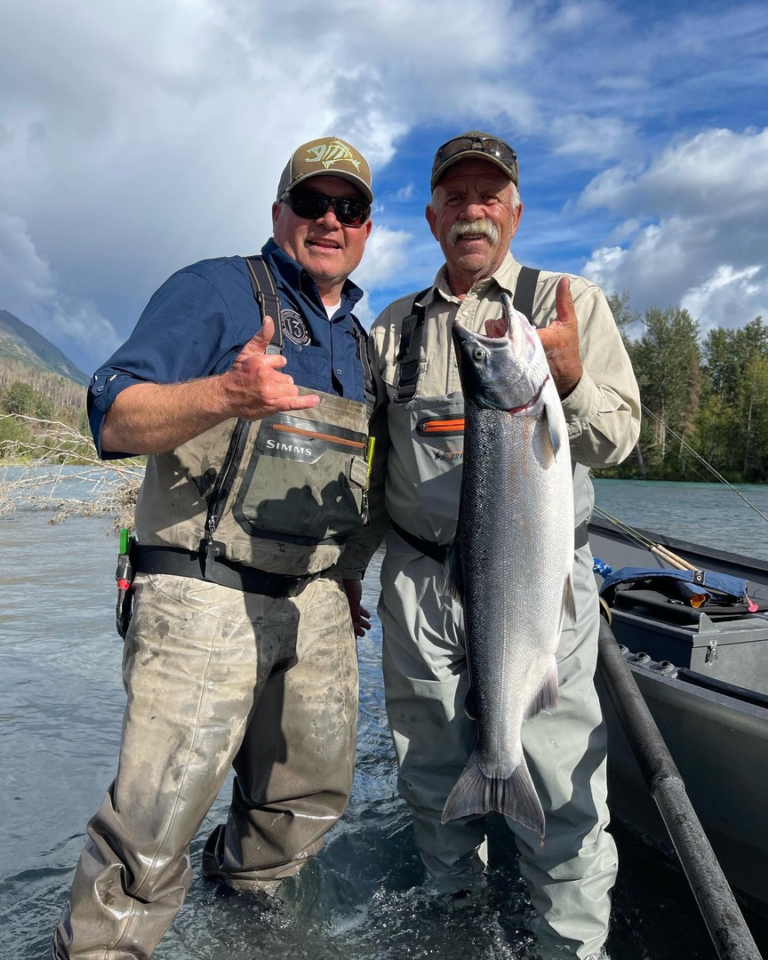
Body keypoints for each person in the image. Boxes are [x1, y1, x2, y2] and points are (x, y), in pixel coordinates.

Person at [53, 136, 376, 959]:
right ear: (279, 214)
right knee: (150, 830)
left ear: (368, 228)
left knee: (302, 807)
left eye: (350, 207)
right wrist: (229, 392)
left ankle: (244, 934)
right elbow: (113, 417)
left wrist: (344, 575)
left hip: (314, 599)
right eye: (312, 203)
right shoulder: (216, 288)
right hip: (199, 588)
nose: (330, 220)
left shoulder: (361, 342)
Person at [340, 132, 641, 959]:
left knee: (557, 769)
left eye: (489, 195)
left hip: (537, 575)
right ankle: (454, 914)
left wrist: (572, 381)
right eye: (456, 196)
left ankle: (567, 943)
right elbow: (375, 467)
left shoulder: (568, 300)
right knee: (429, 757)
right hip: (417, 579)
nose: (472, 209)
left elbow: (618, 438)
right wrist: (347, 571)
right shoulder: (394, 327)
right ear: (433, 214)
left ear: (513, 210)